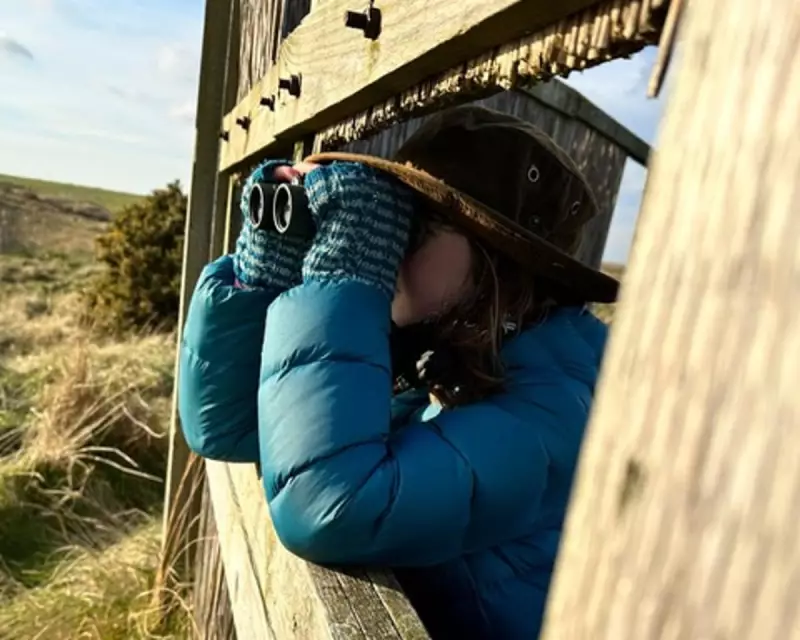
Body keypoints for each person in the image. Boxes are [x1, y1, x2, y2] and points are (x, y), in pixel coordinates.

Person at [178, 105, 618, 639]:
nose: (390, 241)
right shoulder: (445, 356)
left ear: (495, 259)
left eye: (414, 224)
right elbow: (226, 424)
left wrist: (345, 272)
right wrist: (266, 266)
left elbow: (329, 505)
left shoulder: (556, 409)